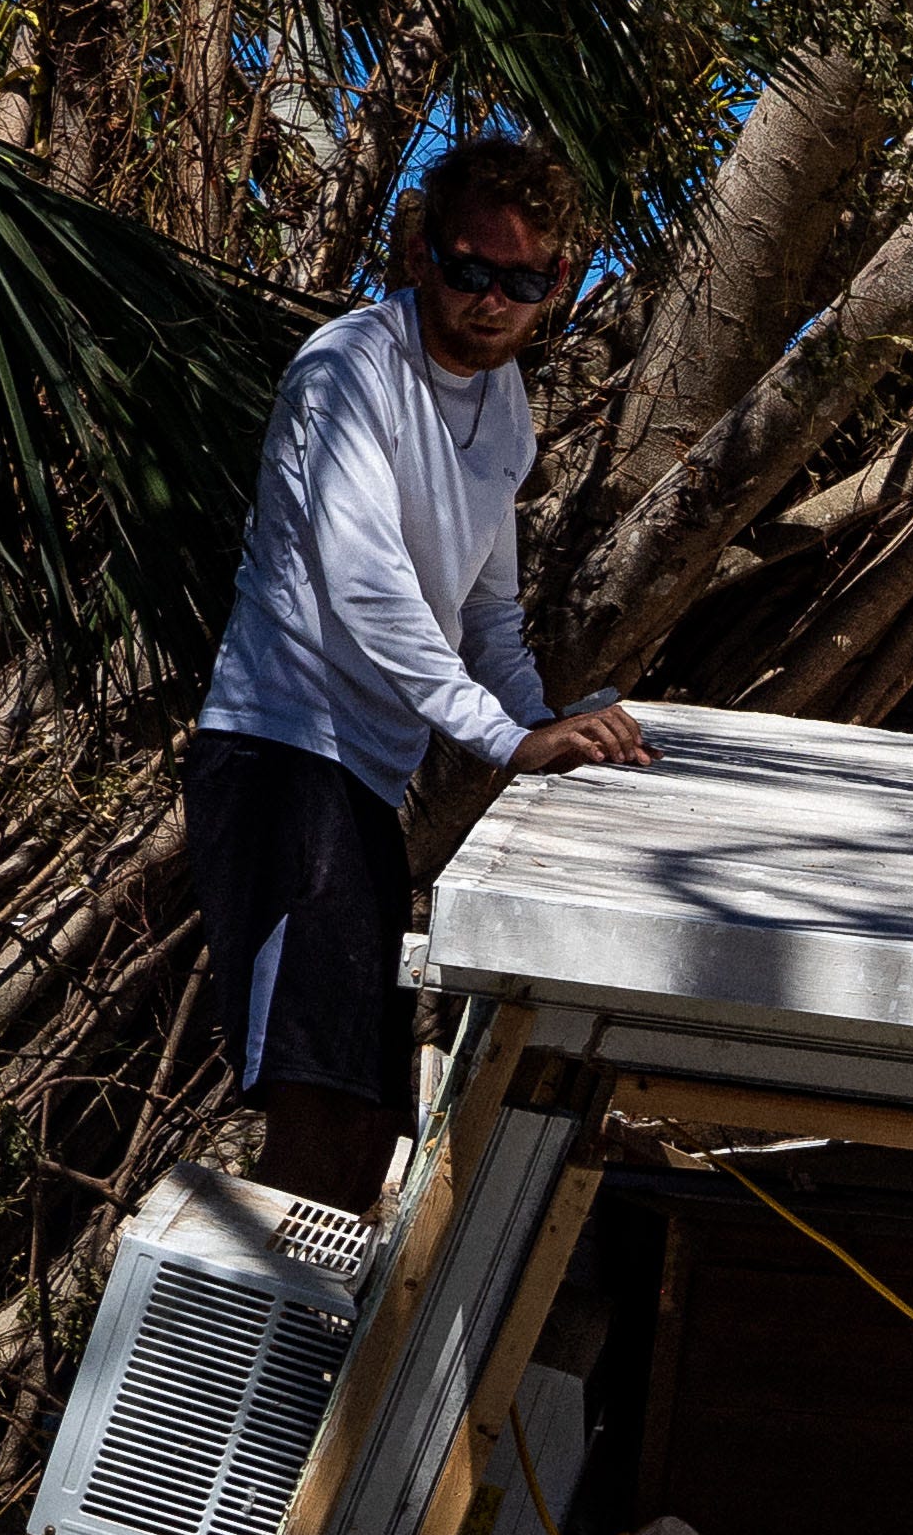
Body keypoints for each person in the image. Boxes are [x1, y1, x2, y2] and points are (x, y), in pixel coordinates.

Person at [190, 134, 657, 1212]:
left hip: (360, 782)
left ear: (557, 286)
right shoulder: (347, 371)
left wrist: (553, 733)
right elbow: (366, 586)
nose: (491, 303)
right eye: (469, 271)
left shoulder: (505, 410)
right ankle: (263, 1360)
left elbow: (486, 614)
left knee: (372, 1120)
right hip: (280, 755)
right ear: (416, 255)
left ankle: (313, 1364)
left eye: (522, 282)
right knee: (320, 1106)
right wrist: (500, 739)